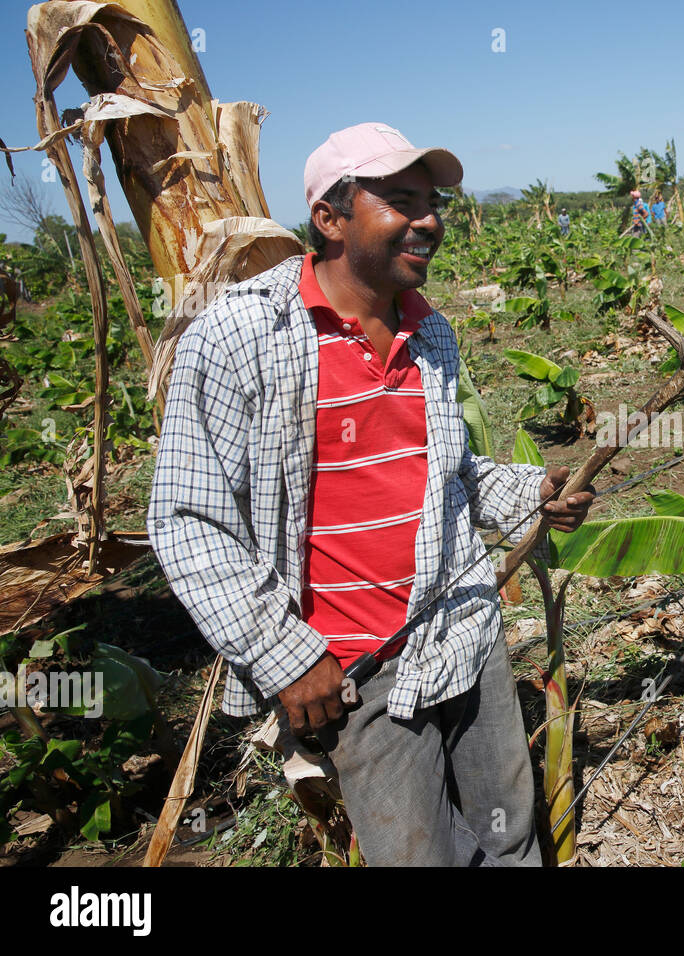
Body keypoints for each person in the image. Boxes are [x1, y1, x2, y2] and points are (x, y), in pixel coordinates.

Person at [148, 122, 594, 866]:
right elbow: (189, 521)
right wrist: (286, 656)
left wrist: (531, 492)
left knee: (507, 833)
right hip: (356, 668)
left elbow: (442, 479)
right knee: (414, 856)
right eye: (399, 200)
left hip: (462, 626)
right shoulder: (242, 336)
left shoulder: (431, 334)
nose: (429, 220)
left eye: (433, 201)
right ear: (329, 218)